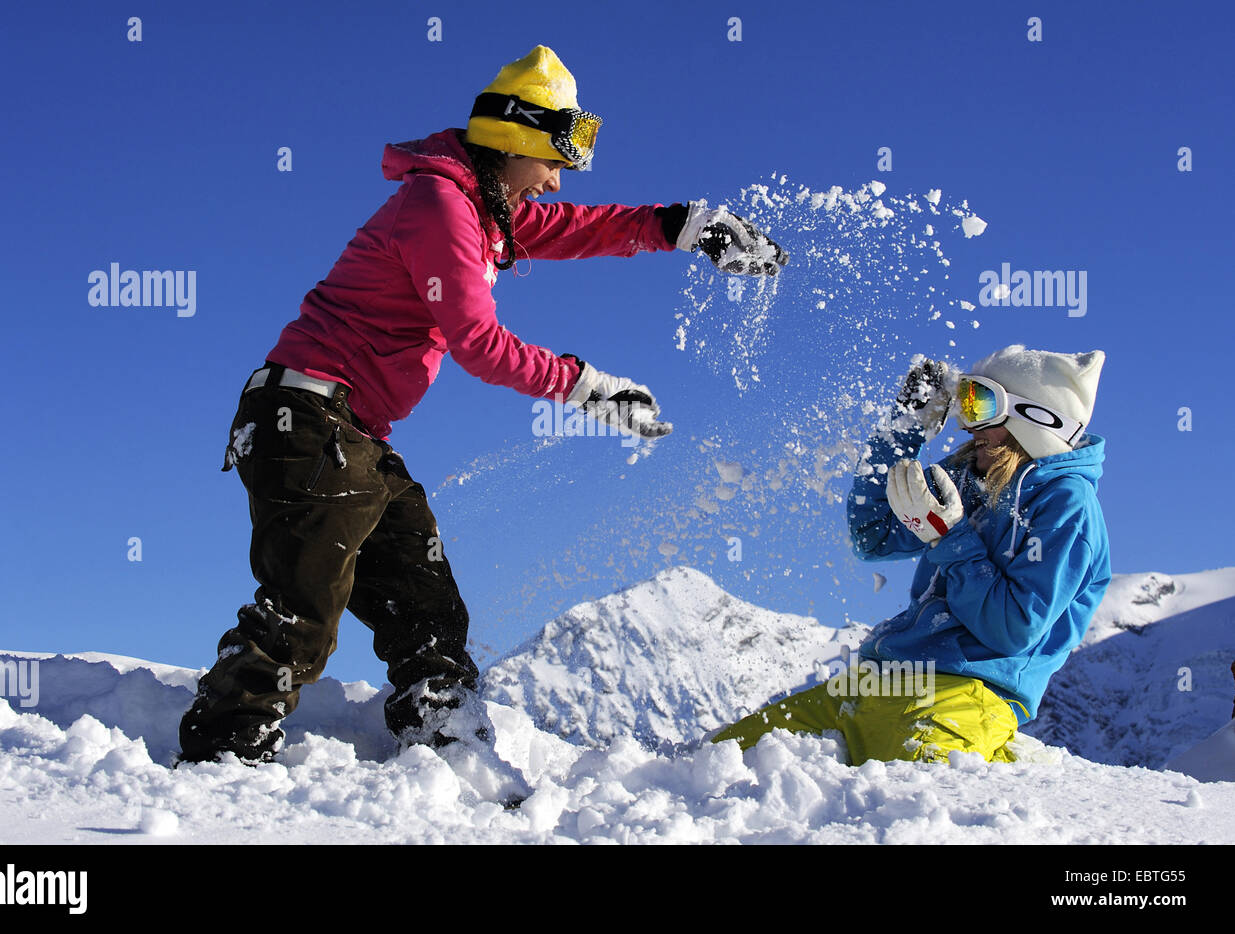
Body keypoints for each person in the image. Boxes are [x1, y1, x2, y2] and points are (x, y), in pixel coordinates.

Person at [178, 45, 788, 765]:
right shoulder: (441, 206)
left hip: (352, 434)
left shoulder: (482, 207)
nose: (557, 183)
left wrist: (681, 225)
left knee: (423, 597)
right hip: (306, 419)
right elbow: (478, 343)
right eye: (553, 161)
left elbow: (581, 229)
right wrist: (586, 386)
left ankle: (446, 734)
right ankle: (223, 749)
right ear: (517, 139)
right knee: (306, 605)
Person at [714, 345, 1110, 765]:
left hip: (965, 693)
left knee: (908, 801)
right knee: (721, 762)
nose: (966, 423)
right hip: (876, 682)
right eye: (965, 401)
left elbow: (1012, 629)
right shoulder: (971, 475)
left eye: (982, 403)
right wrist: (903, 432)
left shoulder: (1067, 506)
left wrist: (949, 539)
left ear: (1035, 418)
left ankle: (1010, 769)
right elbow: (873, 536)